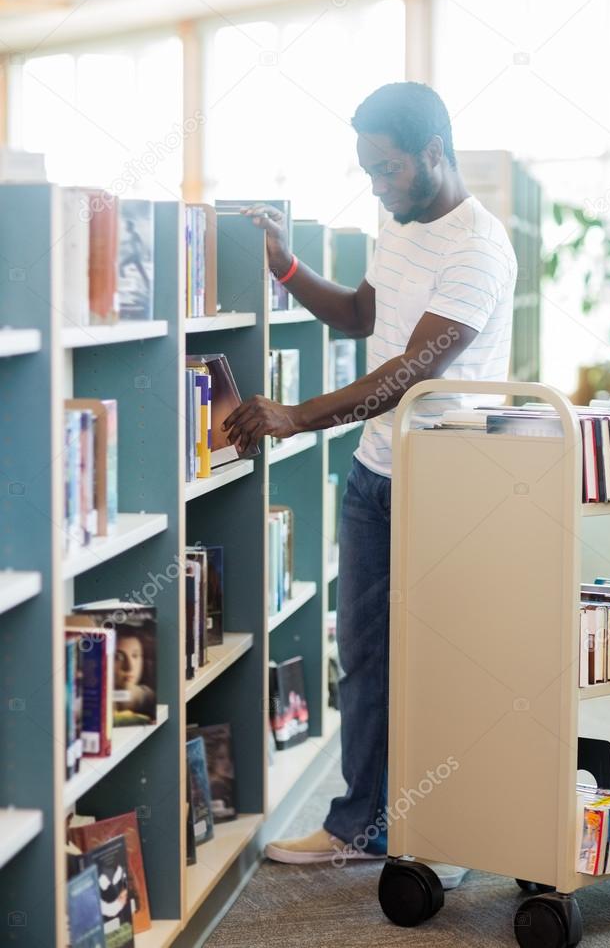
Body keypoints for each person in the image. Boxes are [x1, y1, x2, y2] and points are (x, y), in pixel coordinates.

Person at [222, 82, 518, 882]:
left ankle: (453, 826)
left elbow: (410, 372)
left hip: (447, 483)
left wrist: (294, 416)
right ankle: (362, 823)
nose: (378, 189)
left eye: (387, 171)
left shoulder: (478, 249)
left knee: (440, 659)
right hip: (374, 475)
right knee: (363, 653)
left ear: (433, 154)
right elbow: (360, 316)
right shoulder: (402, 223)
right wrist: (286, 264)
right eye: (369, 173)